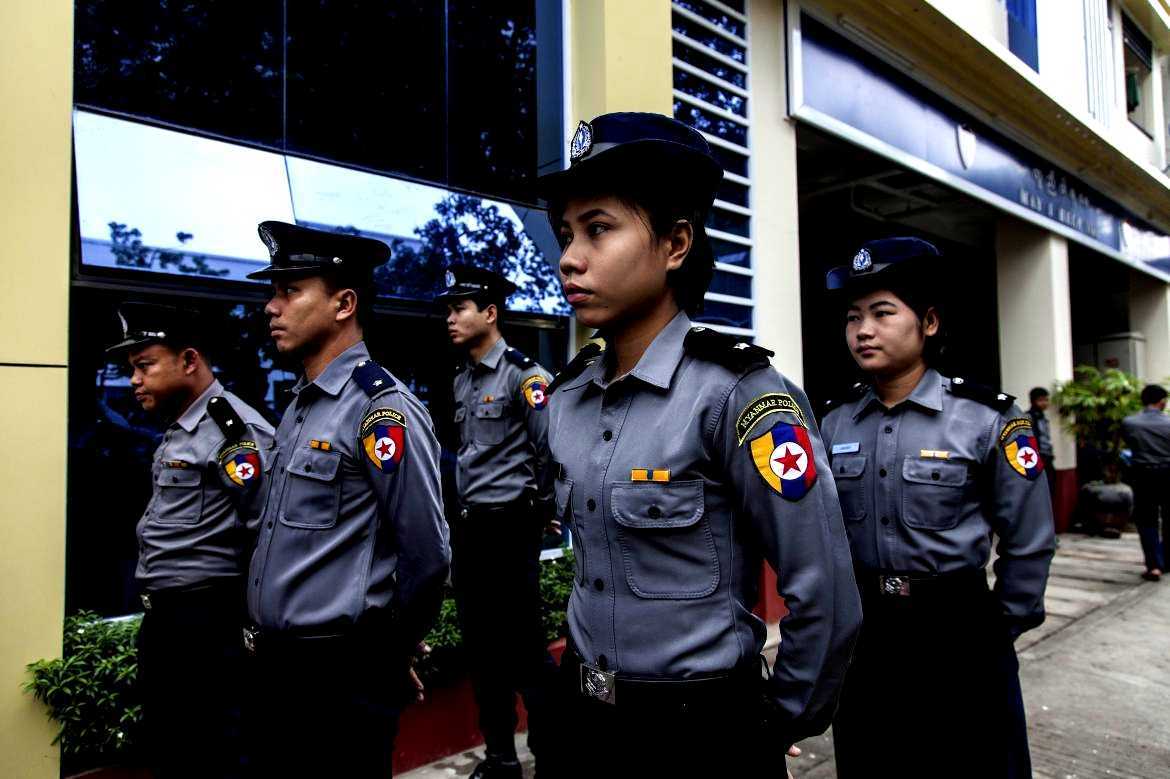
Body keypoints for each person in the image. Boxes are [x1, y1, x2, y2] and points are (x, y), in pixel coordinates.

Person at [538, 113, 862, 777]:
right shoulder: (568, 397)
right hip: (583, 718)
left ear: (675, 243)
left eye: (598, 229)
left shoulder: (737, 393)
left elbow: (824, 587)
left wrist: (777, 717)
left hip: (698, 733)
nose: (570, 257)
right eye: (566, 234)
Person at [819, 237, 1056, 778]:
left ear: (928, 323)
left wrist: (995, 632)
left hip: (960, 631)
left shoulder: (987, 418)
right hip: (866, 635)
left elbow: (1029, 540)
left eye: (882, 313)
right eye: (853, 317)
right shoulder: (832, 421)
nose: (863, 330)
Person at [244, 221, 450, 776]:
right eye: (274, 291)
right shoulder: (300, 406)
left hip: (339, 679)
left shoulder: (381, 410)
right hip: (275, 669)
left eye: (290, 291)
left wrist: (388, 652)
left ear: (344, 304)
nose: (271, 306)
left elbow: (428, 555)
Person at [109, 302, 274, 778]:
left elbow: (266, 534)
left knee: (211, 758)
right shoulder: (180, 428)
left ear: (188, 361)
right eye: (131, 368)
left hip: (207, 628)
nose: (134, 380)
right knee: (171, 754)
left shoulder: (234, 433)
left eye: (144, 365)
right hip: (169, 623)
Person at [435, 265, 558, 778]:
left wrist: (541, 512)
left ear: (490, 313)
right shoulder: (462, 378)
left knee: (525, 649)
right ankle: (501, 757)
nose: (450, 318)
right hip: (472, 529)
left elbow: (551, 450)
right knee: (483, 650)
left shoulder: (524, 377)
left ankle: (555, 756)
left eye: (459, 308)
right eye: (447, 309)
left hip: (510, 527)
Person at [1121, 384, 1170, 582]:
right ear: (1162, 401)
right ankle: (1166, 560)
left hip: (1143, 475)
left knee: (1147, 520)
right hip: (1168, 473)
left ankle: (1154, 565)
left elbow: (1129, 445)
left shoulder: (1130, 423)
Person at [1028, 386, 1057, 503]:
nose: (1045, 403)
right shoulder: (1028, 417)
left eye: (1046, 400)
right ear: (1033, 401)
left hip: (1047, 458)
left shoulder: (1043, 417)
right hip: (1037, 459)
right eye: (1041, 400)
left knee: (1051, 490)